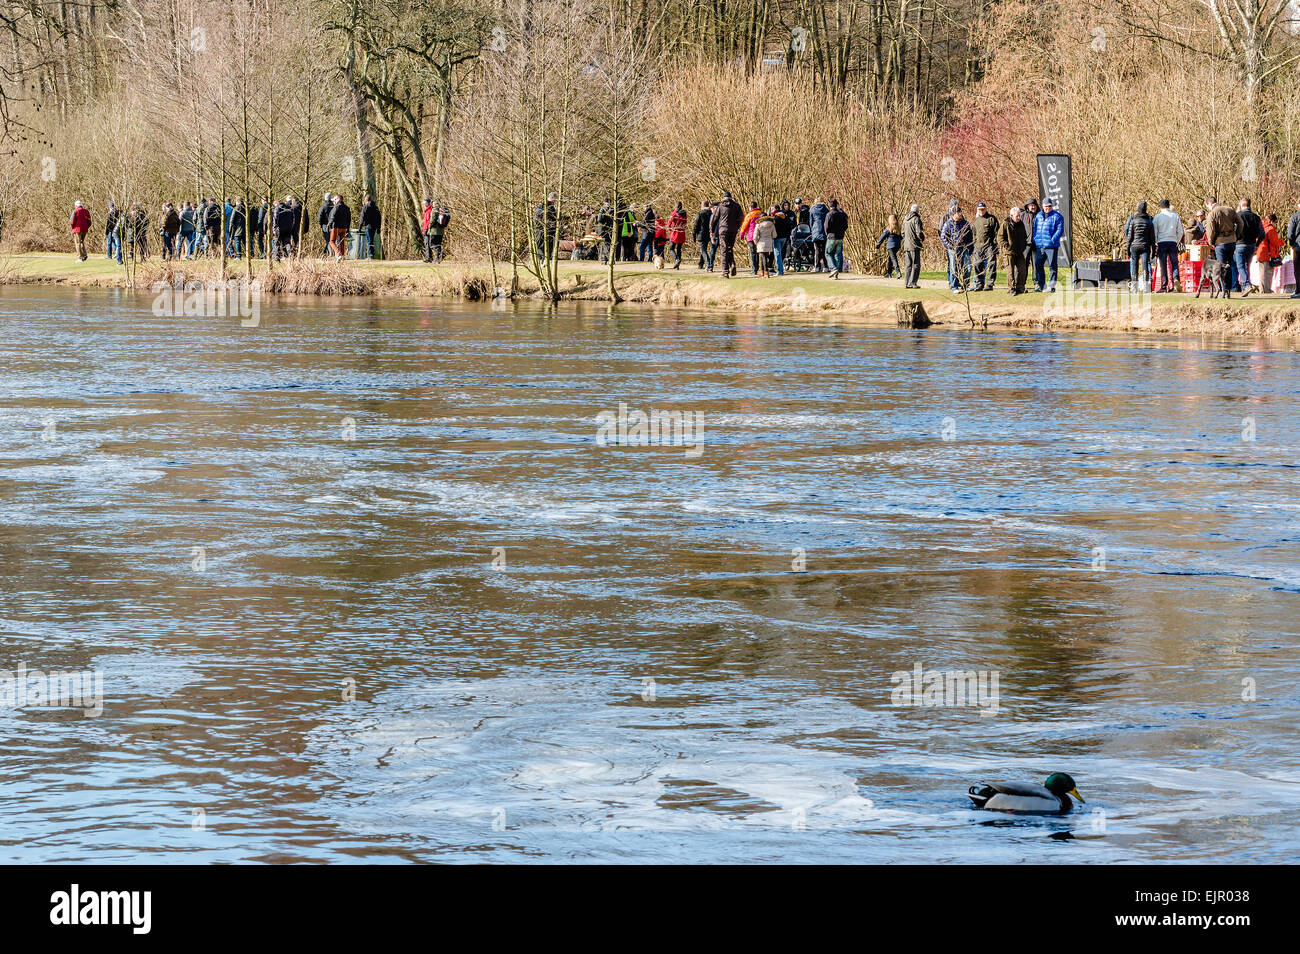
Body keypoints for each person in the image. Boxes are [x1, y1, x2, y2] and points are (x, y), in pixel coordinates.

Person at [1204, 195, 1242, 292]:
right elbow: (1241, 223)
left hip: (1220, 242)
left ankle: (1224, 289)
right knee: (1230, 264)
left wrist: (1211, 242)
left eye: (1207, 206)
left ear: (1210, 204)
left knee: (1221, 266)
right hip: (1231, 241)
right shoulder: (1230, 210)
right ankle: (1230, 288)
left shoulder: (1212, 213)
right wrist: (1236, 235)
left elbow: (1210, 230)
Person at [1032, 198, 1064, 293]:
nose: (1048, 208)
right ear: (1042, 206)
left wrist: (1053, 240)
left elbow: (1060, 230)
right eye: (1046, 206)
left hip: (1051, 246)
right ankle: (1041, 285)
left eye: (1050, 206)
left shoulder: (1057, 216)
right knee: (1038, 265)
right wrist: (1036, 238)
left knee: (1052, 266)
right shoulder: (1038, 216)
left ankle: (1051, 286)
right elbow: (1035, 228)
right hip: (1040, 245)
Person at [1122, 200, 1155, 291]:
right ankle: (1146, 286)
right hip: (1145, 246)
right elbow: (1153, 238)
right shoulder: (1150, 221)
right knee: (1145, 265)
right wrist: (1154, 251)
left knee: (1134, 265)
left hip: (1134, 246)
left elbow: (1129, 237)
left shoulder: (1133, 220)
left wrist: (1128, 248)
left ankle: (1134, 287)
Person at [940, 207, 974, 293]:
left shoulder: (965, 223)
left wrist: (968, 246)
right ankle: (954, 286)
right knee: (954, 268)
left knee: (968, 266)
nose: (960, 214)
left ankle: (966, 285)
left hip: (964, 248)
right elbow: (943, 236)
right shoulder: (948, 224)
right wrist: (950, 246)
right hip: (953, 249)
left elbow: (970, 235)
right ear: (954, 214)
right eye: (958, 213)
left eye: (960, 212)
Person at [711, 190, 744, 278]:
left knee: (723, 250)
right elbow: (741, 218)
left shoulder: (720, 206)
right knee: (729, 248)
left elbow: (714, 219)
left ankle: (725, 272)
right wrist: (737, 227)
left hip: (723, 230)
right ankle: (732, 264)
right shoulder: (737, 206)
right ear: (731, 197)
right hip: (733, 230)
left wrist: (712, 231)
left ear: (723, 198)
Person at [999, 206, 1030, 295]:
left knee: (1022, 269)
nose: (1019, 217)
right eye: (1017, 216)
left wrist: (1023, 246)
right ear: (1011, 216)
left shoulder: (1021, 224)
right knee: (1010, 271)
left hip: (1019, 252)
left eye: (1019, 215)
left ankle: (1020, 287)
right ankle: (1011, 289)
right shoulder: (1005, 224)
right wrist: (1007, 246)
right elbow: (1000, 237)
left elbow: (1024, 236)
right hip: (1009, 253)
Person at [1153, 199, 1182, 293]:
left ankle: (1164, 286)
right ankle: (1175, 278)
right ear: (1169, 206)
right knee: (1174, 263)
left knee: (1163, 265)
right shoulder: (1175, 216)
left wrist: (1157, 242)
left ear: (1160, 207)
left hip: (1162, 242)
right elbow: (1180, 231)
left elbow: (1154, 232)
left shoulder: (1157, 217)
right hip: (1173, 241)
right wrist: (1176, 241)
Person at [970, 202, 999, 290]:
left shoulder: (991, 219)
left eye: (983, 209)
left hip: (989, 246)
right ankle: (979, 284)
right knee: (978, 265)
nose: (981, 211)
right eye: (979, 209)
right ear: (977, 210)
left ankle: (990, 284)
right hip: (978, 246)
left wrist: (994, 244)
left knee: (991, 265)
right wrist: (974, 244)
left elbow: (997, 232)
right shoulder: (976, 220)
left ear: (986, 209)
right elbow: (974, 233)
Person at [1235, 198, 1261, 295]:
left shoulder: (1238, 216)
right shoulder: (1256, 217)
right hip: (1251, 244)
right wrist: (1257, 244)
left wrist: (1234, 241)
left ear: (1241, 205)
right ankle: (1245, 287)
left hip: (1240, 244)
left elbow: (1235, 230)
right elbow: (1261, 233)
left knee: (1240, 266)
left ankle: (1246, 284)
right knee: (1247, 266)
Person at [1255, 212, 1283, 295]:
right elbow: (1274, 241)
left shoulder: (1260, 227)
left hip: (1260, 252)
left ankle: (1262, 289)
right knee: (1268, 272)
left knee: (1262, 272)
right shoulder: (1270, 229)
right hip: (1268, 253)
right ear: (1272, 221)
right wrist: (1282, 242)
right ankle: (1267, 289)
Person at [902, 203, 924, 289]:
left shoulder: (905, 219)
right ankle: (913, 283)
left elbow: (902, 233)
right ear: (917, 210)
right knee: (916, 264)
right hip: (914, 245)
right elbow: (919, 232)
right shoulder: (916, 219)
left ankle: (906, 283)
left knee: (908, 265)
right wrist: (922, 239)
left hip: (906, 245)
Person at [824, 198, 848, 278]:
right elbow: (846, 226)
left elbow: (826, 226)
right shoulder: (841, 214)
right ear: (836, 205)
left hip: (831, 237)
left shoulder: (829, 214)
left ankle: (833, 268)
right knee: (837, 255)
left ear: (830, 206)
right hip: (840, 237)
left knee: (828, 253)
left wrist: (827, 234)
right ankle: (836, 275)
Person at [876, 214, 902, 279]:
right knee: (891, 258)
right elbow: (901, 236)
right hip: (897, 245)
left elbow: (883, 237)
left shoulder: (889, 228)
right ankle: (889, 273)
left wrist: (878, 244)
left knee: (893, 258)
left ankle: (898, 272)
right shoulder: (899, 227)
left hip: (891, 246)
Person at [772, 201, 794, 276]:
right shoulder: (785, 216)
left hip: (777, 237)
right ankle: (781, 269)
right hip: (784, 237)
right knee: (780, 253)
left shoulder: (775, 217)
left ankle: (780, 271)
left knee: (777, 254)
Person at [752, 209, 776, 278]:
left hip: (761, 242)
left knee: (763, 257)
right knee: (765, 257)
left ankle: (765, 272)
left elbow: (755, 236)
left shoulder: (758, 225)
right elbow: (774, 235)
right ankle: (762, 271)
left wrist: (756, 242)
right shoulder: (772, 224)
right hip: (769, 242)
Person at [740, 202, 762, 274]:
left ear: (750, 207)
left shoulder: (749, 215)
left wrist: (741, 235)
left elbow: (744, 226)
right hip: (759, 235)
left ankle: (754, 269)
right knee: (758, 252)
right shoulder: (760, 213)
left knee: (752, 252)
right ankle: (758, 267)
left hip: (751, 235)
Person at [328, 193, 351, 258]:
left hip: (336, 227)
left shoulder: (336, 207)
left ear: (338, 199)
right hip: (344, 228)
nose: (333, 202)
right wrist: (348, 228)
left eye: (334, 200)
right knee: (342, 243)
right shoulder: (347, 208)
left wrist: (329, 225)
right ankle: (343, 256)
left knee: (331, 241)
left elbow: (333, 217)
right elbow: (349, 219)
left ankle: (338, 254)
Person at [809, 197, 829, 271]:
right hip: (824, 232)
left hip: (815, 232)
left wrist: (812, 231)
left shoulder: (813, 210)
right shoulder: (826, 210)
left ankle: (817, 267)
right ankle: (825, 267)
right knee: (824, 250)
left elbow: (811, 222)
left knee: (817, 250)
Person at [693, 200, 714, 270]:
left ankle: (708, 263)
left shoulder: (700, 213)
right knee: (704, 248)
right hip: (709, 234)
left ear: (702, 205)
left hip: (701, 234)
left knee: (703, 250)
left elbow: (696, 225)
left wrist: (694, 234)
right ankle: (701, 264)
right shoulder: (711, 213)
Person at [360, 194, 381, 259]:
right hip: (374, 226)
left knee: (369, 241)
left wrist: (360, 227)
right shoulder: (376, 207)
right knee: (371, 240)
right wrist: (378, 227)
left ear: (366, 200)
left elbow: (362, 217)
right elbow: (379, 218)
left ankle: (370, 255)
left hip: (368, 226)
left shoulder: (365, 207)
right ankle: (371, 254)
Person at [1286, 197, 1300, 298]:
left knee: (1298, 270)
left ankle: (1299, 291)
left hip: (1298, 246)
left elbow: (1290, 233)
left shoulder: (1295, 217)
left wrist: (1292, 244)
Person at [666, 202, 687, 269]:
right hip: (682, 232)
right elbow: (685, 224)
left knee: (671, 248)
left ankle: (676, 259)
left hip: (675, 232)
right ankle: (678, 265)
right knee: (679, 249)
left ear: (676, 207)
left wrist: (670, 230)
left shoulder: (674, 213)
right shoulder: (684, 214)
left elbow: (669, 223)